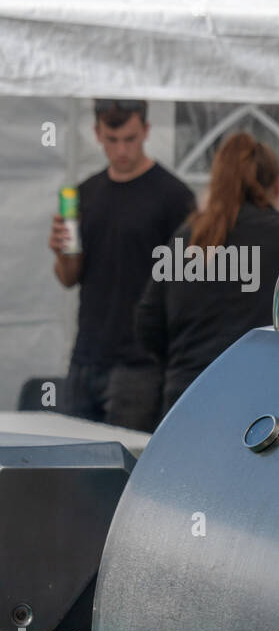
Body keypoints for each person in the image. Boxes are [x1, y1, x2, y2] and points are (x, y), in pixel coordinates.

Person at [135, 132, 279, 417]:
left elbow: (147, 324)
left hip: (189, 404)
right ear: (277, 186)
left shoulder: (186, 241)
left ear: (215, 184)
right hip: (275, 408)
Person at [48, 98, 195, 431]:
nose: (121, 150)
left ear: (145, 130)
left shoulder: (174, 196)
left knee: (126, 467)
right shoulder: (86, 193)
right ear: (97, 133)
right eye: (112, 141)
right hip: (86, 355)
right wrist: (61, 252)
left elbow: (190, 282)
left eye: (130, 139)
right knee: (75, 466)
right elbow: (69, 278)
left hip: (141, 362)